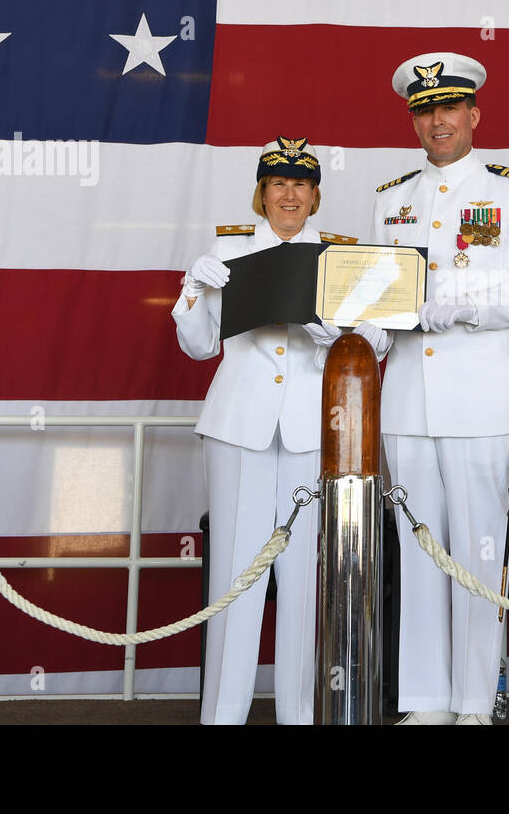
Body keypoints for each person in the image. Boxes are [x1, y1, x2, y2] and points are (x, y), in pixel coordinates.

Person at [371, 52, 509, 724]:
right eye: (424, 109)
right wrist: (345, 329)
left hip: (480, 396)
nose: (436, 120)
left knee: (479, 551)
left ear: (473, 113)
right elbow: (380, 307)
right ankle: (425, 702)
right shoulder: (389, 198)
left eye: (448, 107)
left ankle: (475, 703)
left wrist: (461, 303)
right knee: (419, 549)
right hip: (405, 401)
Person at [174, 136, 389, 725]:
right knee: (236, 578)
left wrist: (334, 333)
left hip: (315, 432)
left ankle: (298, 714)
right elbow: (197, 347)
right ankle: (222, 716)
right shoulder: (225, 250)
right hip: (239, 428)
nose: (288, 194)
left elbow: (380, 339)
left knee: (303, 584)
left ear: (315, 195)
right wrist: (192, 290)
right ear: (261, 194)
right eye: (277, 183)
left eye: (300, 184)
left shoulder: (343, 257)